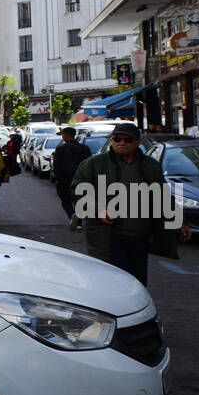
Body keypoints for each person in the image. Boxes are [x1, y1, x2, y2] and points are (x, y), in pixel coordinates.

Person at [70, 122, 189, 285]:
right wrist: (99, 209)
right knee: (113, 283)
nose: (121, 143)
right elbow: (78, 190)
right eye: (117, 139)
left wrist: (179, 221)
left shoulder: (150, 165)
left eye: (128, 139)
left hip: (141, 235)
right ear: (112, 141)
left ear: (138, 142)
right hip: (108, 236)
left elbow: (163, 196)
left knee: (138, 282)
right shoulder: (94, 164)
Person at [52, 127, 90, 231]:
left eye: (62, 134)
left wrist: (57, 178)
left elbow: (56, 165)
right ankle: (79, 221)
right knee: (79, 199)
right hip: (81, 178)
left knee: (65, 200)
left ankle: (73, 215)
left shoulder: (61, 149)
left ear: (65, 135)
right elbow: (88, 164)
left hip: (64, 179)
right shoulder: (84, 148)